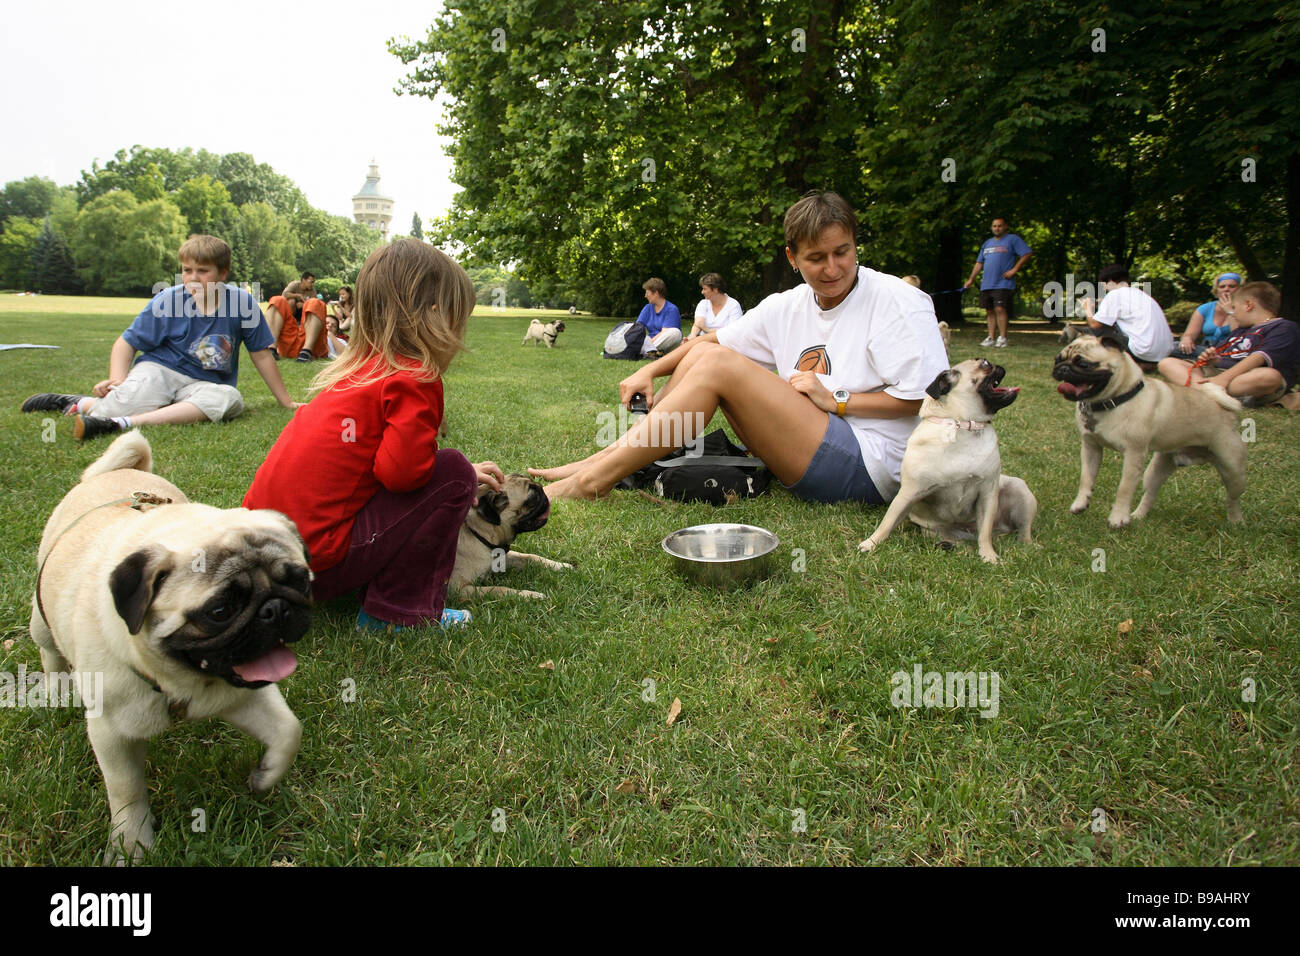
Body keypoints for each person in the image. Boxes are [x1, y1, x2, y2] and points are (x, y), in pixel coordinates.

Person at [530, 191, 949, 504]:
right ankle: (604, 461)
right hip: (811, 441)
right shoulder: (788, 305)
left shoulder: (898, 301)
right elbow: (710, 340)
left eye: (843, 252)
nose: (833, 268)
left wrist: (838, 399)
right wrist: (648, 370)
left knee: (719, 367)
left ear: (856, 243)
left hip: (873, 466)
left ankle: (591, 482)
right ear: (792, 257)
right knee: (706, 354)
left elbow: (924, 401)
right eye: (816, 258)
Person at [243, 239, 506, 631]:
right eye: (457, 319)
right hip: (317, 568)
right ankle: (397, 610)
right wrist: (458, 477)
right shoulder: (414, 376)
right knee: (453, 471)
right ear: (434, 315)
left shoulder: (356, 371)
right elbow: (401, 476)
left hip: (260, 560)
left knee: (452, 470)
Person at [20, 234, 296, 440]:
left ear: (222, 273)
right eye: (187, 270)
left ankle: (121, 424)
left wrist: (285, 402)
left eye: (203, 271)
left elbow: (261, 354)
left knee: (230, 400)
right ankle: (80, 404)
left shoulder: (242, 303)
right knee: (108, 408)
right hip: (161, 369)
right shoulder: (167, 300)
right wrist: (118, 380)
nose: (192, 278)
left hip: (205, 384)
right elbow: (126, 343)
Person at [1158, 280, 1300, 409]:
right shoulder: (1241, 330)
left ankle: (1204, 391)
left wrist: (1222, 379)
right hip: (1218, 375)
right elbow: (1222, 356)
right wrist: (1214, 359)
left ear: (1249, 305)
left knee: (1269, 376)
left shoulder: (1283, 327)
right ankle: (1210, 393)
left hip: (1246, 377)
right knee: (1167, 363)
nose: (1232, 314)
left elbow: (1259, 357)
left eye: (1234, 308)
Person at [1080, 263, 1174, 368]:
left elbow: (1095, 325)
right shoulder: (1141, 294)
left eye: (1104, 284)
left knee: (1092, 332)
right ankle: (1145, 364)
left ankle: (1095, 362)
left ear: (1110, 280)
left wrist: (1087, 308)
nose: (1105, 289)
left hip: (1143, 352)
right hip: (1163, 353)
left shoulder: (1115, 294)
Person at [964, 217, 1032, 348]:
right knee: (989, 311)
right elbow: (979, 263)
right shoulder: (987, 243)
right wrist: (971, 279)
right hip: (987, 283)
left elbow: (1027, 253)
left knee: (999, 308)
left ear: (1005, 226)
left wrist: (1014, 269)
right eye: (994, 226)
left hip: (1003, 282)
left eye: (1000, 226)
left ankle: (1003, 338)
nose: (997, 228)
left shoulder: (1012, 239)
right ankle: (990, 337)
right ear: (991, 228)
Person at [265, 271, 329, 362]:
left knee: (314, 303)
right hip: (290, 335)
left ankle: (306, 351)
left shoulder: (312, 291)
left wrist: (304, 304)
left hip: (309, 336)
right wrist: (298, 296)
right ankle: (272, 348)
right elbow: (285, 295)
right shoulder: (294, 285)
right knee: (277, 300)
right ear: (303, 280)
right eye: (311, 281)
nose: (312, 284)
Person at [1177, 272, 1242, 356]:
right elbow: (1189, 334)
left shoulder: (1245, 308)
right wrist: (1186, 339)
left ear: (1240, 289)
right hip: (1206, 350)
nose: (1226, 289)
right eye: (1222, 287)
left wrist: (1230, 311)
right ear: (1217, 290)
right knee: (1173, 347)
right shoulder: (1205, 308)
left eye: (1232, 286)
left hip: (1231, 351)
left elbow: (1238, 336)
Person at [637, 278, 683, 357]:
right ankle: (651, 352)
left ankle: (646, 351)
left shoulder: (671, 309)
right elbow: (638, 327)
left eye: (647, 293)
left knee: (675, 332)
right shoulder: (648, 308)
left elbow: (664, 332)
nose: (645, 296)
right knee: (639, 336)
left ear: (656, 293)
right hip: (652, 341)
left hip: (667, 343)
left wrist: (649, 343)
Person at [689, 273, 744, 337]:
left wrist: (707, 330)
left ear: (715, 289)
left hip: (723, 341)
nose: (702, 292)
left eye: (705, 289)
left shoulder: (733, 305)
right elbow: (698, 324)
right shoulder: (703, 303)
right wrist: (692, 337)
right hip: (702, 338)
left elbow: (732, 332)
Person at [325, 285, 354, 358]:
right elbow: (339, 317)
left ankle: (339, 327)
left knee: (349, 319)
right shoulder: (341, 303)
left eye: (343, 294)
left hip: (351, 321)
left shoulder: (354, 304)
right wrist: (334, 308)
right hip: (343, 323)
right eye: (340, 294)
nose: (341, 296)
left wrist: (340, 307)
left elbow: (351, 316)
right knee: (338, 320)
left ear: (349, 294)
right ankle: (338, 327)